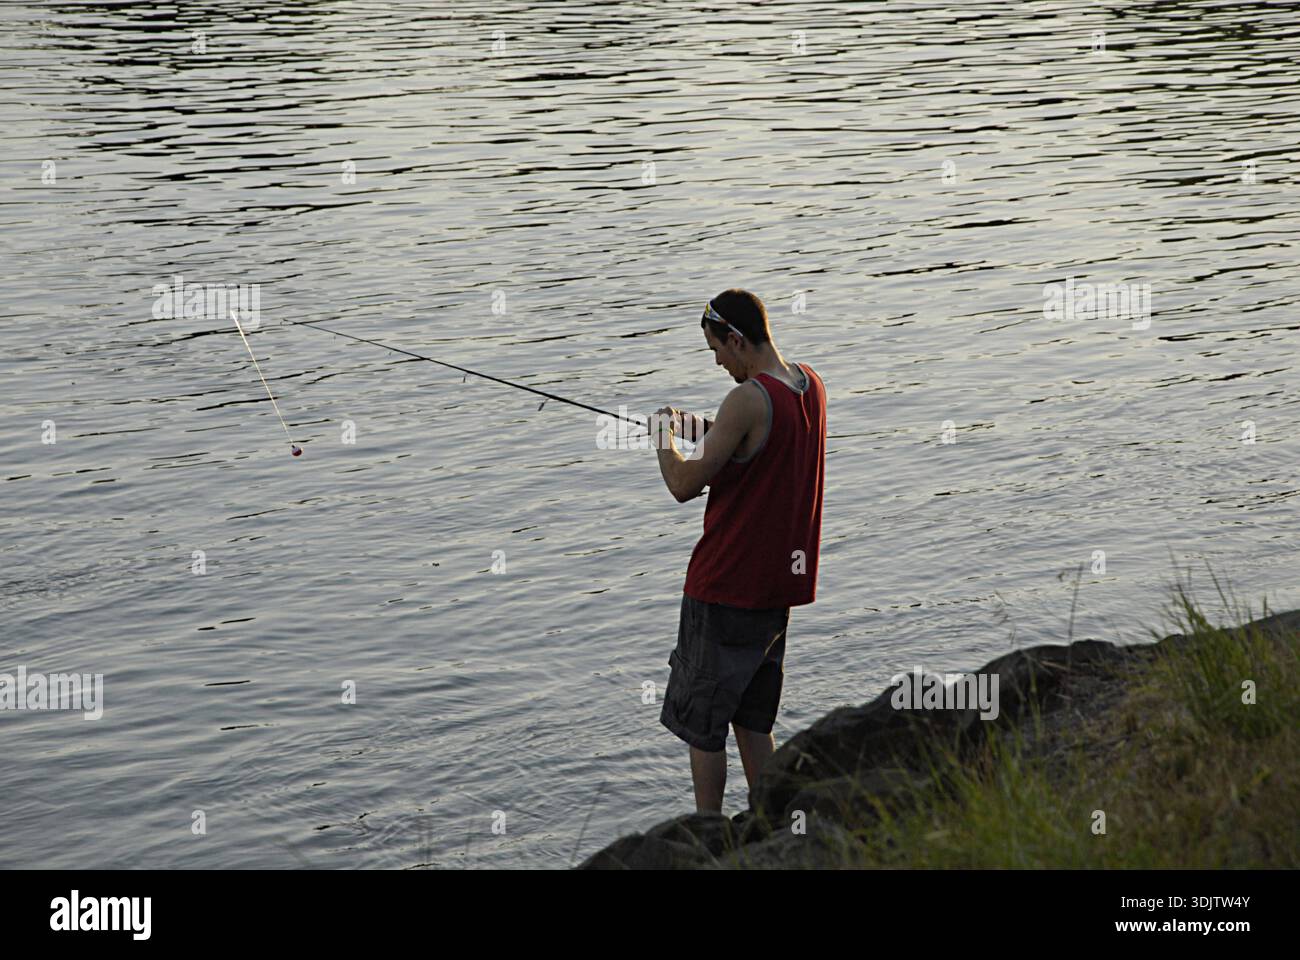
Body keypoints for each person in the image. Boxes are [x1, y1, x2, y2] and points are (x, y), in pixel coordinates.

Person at [652, 288, 827, 813]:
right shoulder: (808, 384)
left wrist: (665, 436)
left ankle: (707, 837)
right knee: (753, 721)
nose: (720, 364)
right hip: (774, 593)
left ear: (735, 338)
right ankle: (774, 826)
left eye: (718, 352)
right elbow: (755, 444)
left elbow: (683, 482)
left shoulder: (746, 398)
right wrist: (698, 427)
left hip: (724, 587)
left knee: (703, 726)